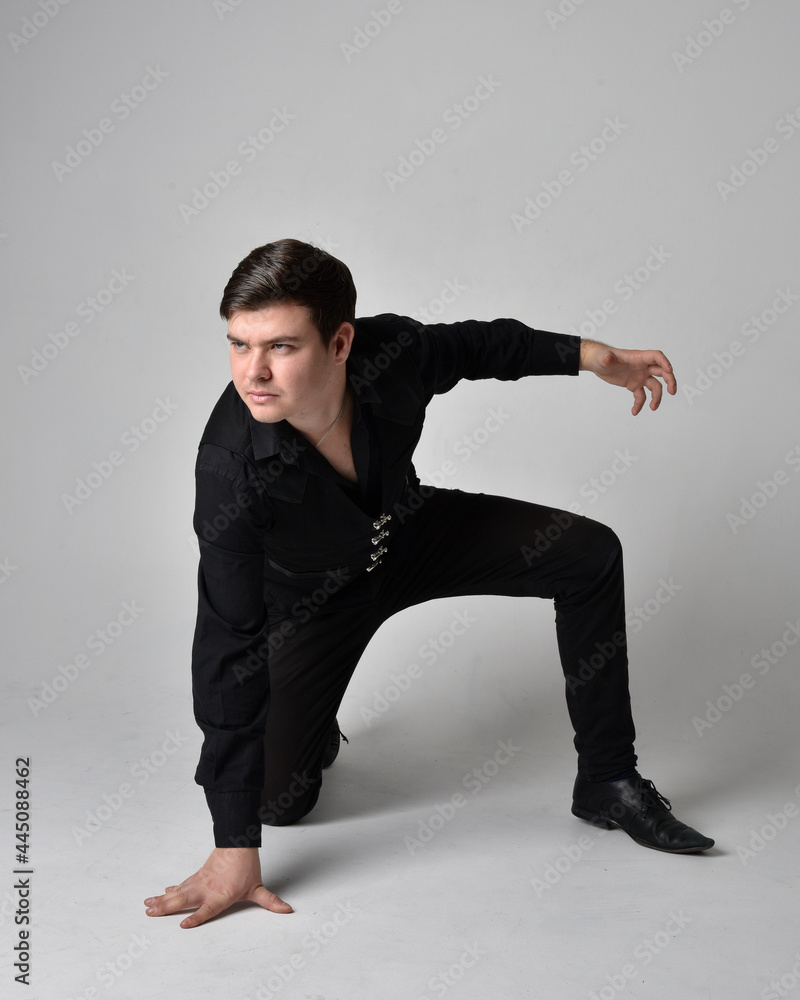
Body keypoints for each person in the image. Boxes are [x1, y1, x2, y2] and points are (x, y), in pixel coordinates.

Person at [144, 238, 713, 929]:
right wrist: (234, 846)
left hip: (409, 533)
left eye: (281, 347)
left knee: (588, 554)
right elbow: (227, 650)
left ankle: (607, 781)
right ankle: (311, 727)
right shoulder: (229, 468)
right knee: (279, 802)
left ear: (341, 341)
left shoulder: (393, 353)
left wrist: (595, 358)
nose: (253, 372)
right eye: (239, 345)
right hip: (314, 598)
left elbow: (483, 347)